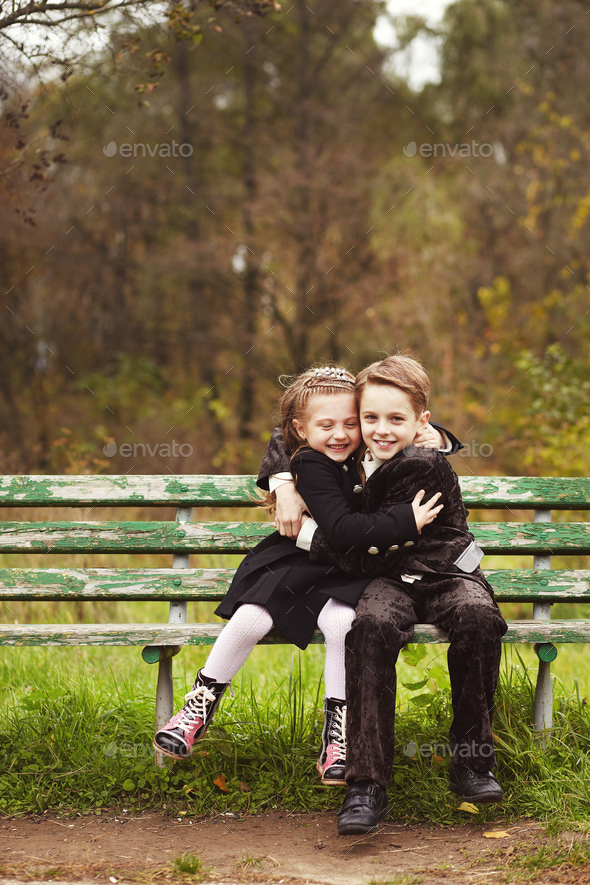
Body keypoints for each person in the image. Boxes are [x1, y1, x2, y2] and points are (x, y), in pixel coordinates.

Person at [154, 366, 443, 786]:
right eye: (328, 426)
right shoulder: (307, 458)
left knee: (342, 622)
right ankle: (198, 707)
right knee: (252, 616)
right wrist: (283, 483)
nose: (342, 434)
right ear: (302, 429)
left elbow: (400, 415)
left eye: (351, 423)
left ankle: (337, 735)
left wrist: (441, 438)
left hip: (350, 564)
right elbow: (287, 436)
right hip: (301, 555)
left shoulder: (374, 440)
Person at [297, 356, 508, 835]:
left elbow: (372, 546)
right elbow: (291, 437)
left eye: (396, 419)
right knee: (368, 626)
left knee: (478, 619)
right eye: (369, 418)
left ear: (421, 423)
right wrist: (283, 479)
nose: (381, 430)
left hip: (445, 573)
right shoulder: (349, 459)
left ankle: (472, 762)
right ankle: (366, 783)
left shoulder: (422, 461)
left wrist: (316, 539)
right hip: (392, 581)